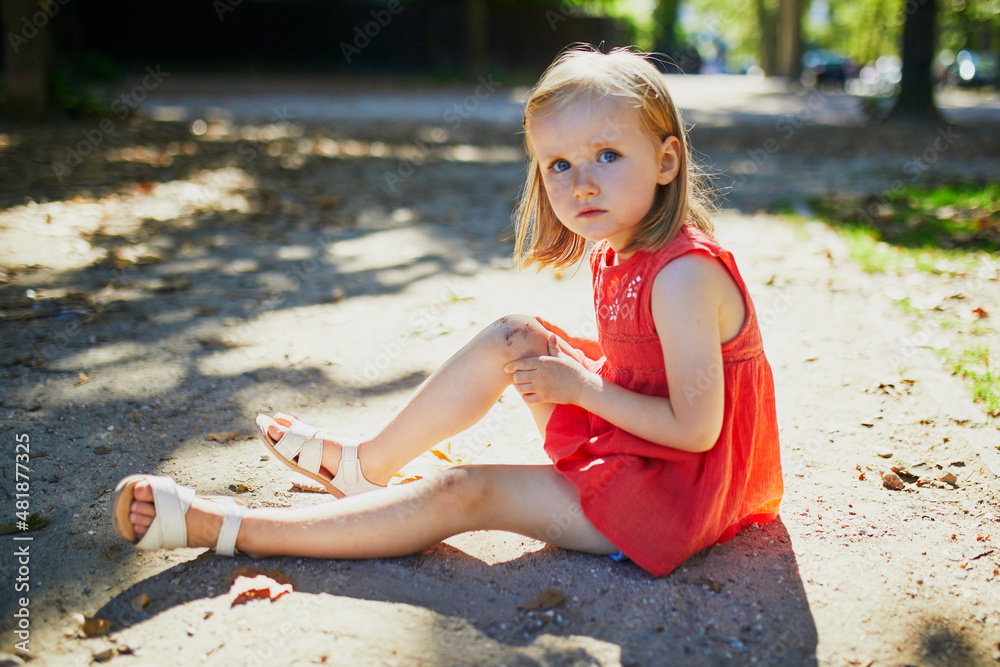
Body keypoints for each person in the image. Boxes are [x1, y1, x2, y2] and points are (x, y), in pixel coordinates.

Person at [112, 46, 783, 577]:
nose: (581, 182)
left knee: (462, 489)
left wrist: (580, 385)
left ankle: (225, 525)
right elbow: (645, 367)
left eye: (608, 155)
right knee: (515, 335)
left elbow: (696, 429)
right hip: (641, 451)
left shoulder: (684, 275)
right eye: (557, 163)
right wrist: (576, 364)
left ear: (666, 160)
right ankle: (365, 465)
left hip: (675, 495)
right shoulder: (619, 249)